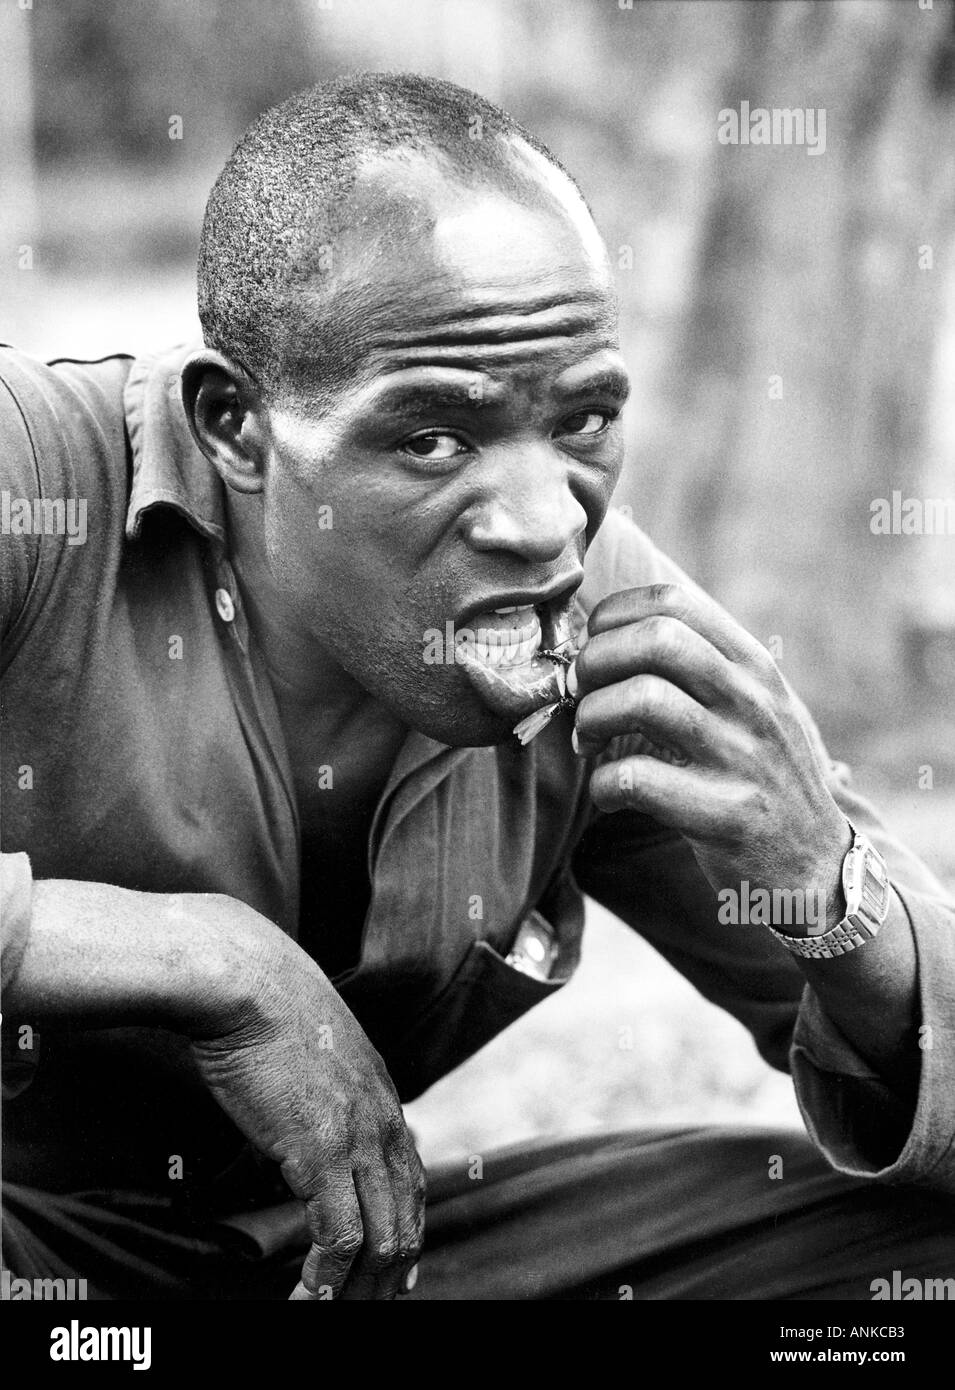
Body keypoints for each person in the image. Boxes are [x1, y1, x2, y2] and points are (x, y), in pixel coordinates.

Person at [1, 72, 953, 1303]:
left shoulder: (613, 632)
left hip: (336, 1267)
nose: (543, 520)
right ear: (234, 425)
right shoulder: (36, 482)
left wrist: (826, 881)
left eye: (583, 419)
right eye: (432, 438)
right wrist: (201, 960)